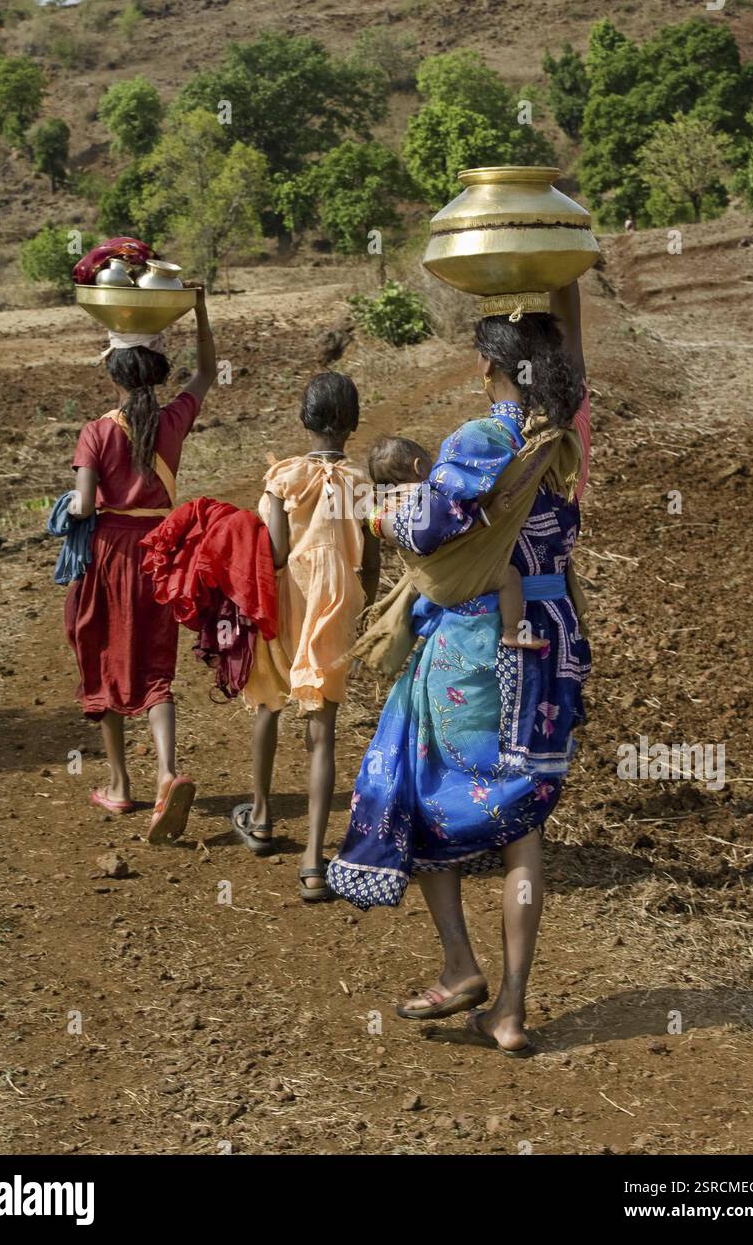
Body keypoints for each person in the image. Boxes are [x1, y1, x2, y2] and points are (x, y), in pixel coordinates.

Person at [328, 283, 592, 1054]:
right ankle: (510, 1006)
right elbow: (571, 358)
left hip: (477, 645)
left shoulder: (483, 436)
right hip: (551, 638)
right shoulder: (564, 440)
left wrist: (374, 510)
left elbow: (428, 523)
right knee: (524, 824)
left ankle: (458, 964)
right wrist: (563, 285)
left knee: (419, 785)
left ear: (489, 365)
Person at [65, 287, 217, 842]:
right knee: (155, 664)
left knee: (102, 653)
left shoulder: (96, 431)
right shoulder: (173, 419)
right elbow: (205, 370)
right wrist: (199, 308)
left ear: (114, 375)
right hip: (161, 550)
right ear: (154, 372)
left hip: (110, 553)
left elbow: (83, 505)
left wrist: (72, 508)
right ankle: (167, 773)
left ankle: (119, 784)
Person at [236, 373, 381, 901]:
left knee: (269, 704)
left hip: (286, 597)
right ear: (354, 423)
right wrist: (364, 610)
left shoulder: (284, 477)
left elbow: (273, 553)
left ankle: (260, 816)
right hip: (337, 601)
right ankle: (314, 861)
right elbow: (371, 559)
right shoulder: (361, 483)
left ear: (304, 420)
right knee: (323, 728)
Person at [368, 435, 541, 651]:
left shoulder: (384, 510)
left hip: (425, 583)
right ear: (419, 466)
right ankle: (513, 631)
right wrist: (490, 514)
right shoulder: (431, 502)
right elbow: (458, 532)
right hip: (448, 582)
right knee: (509, 575)